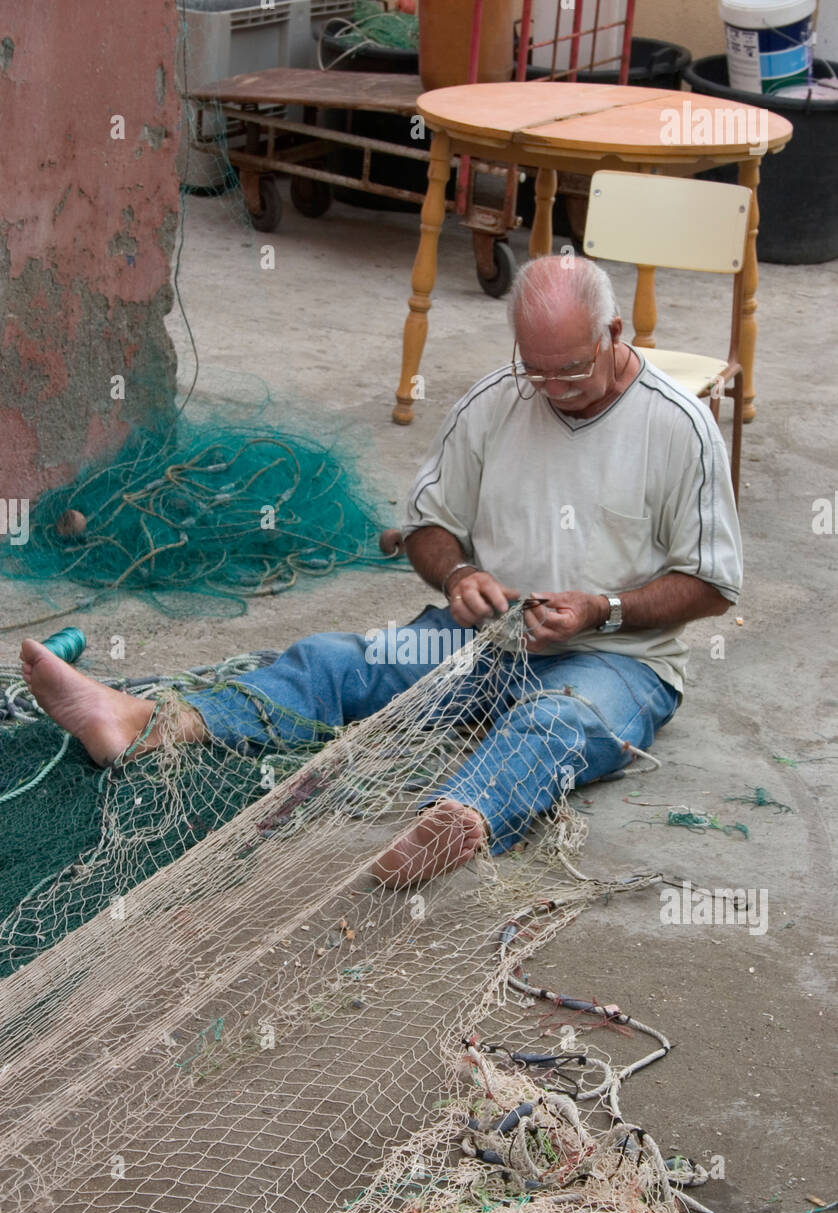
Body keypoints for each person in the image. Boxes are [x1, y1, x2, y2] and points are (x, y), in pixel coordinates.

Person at [20, 256, 742, 887]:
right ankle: (153, 722)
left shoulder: (678, 427)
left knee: (557, 723)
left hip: (617, 660)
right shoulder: (498, 401)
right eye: (536, 368)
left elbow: (711, 584)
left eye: (572, 368)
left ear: (615, 335)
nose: (551, 387)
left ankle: (454, 819)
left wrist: (602, 610)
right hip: (490, 639)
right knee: (340, 664)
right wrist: (459, 576)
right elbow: (426, 526)